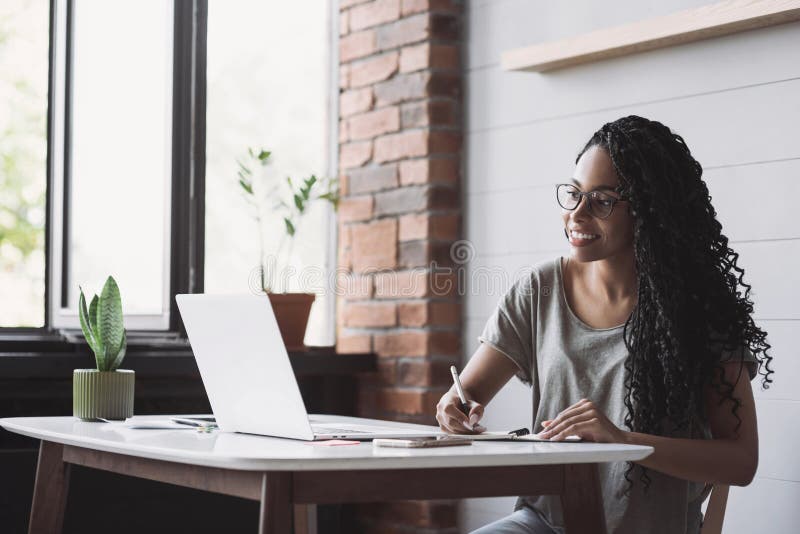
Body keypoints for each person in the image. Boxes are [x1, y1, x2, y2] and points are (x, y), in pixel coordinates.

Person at [436, 116, 774, 534]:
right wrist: (455, 406)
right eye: (574, 194)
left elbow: (741, 462)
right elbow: (464, 395)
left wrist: (622, 440)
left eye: (601, 200)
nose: (577, 214)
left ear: (650, 209)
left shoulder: (697, 311)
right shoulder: (539, 290)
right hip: (544, 523)